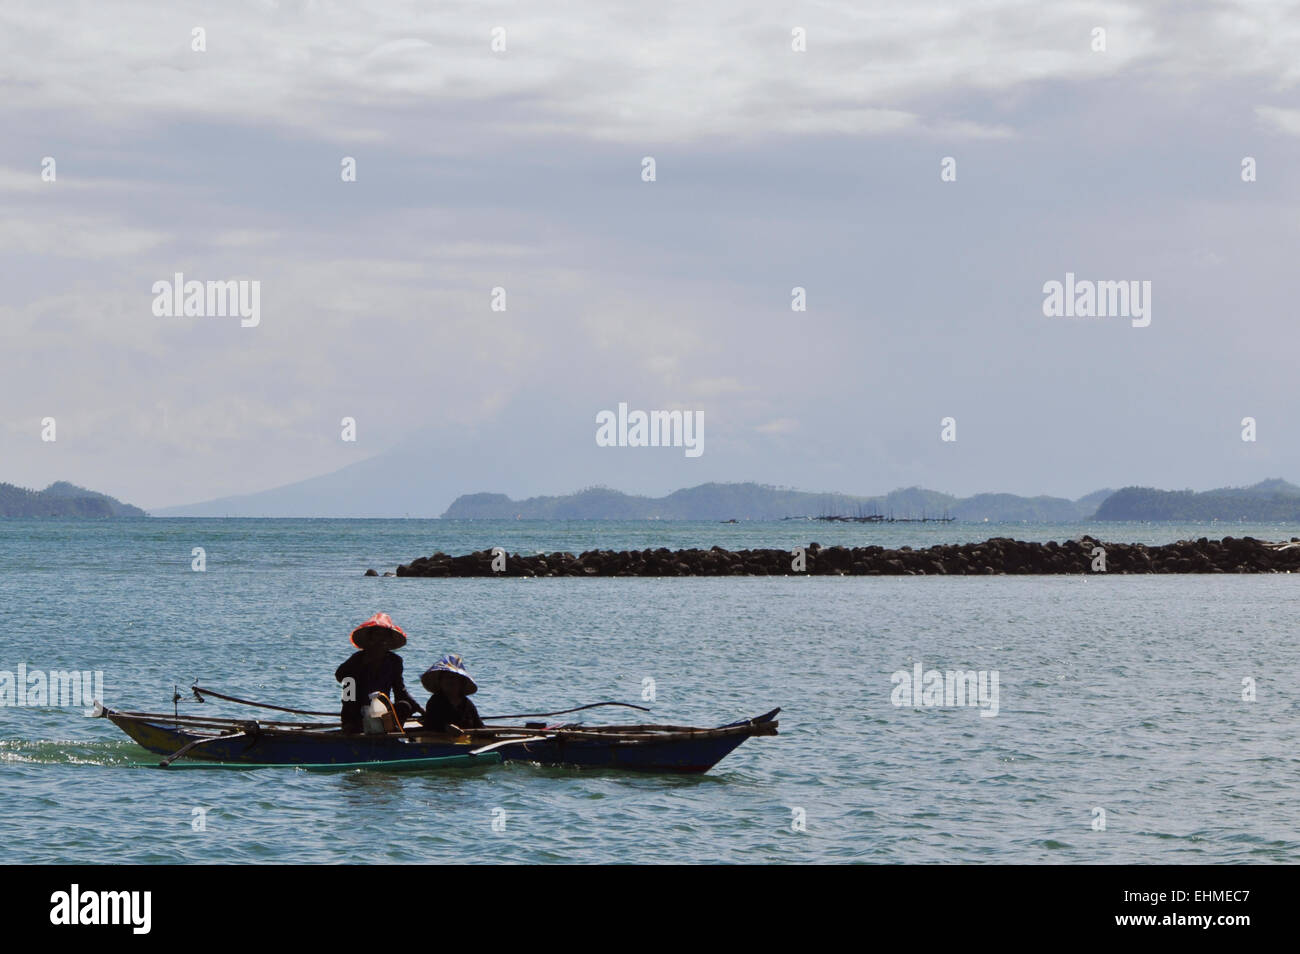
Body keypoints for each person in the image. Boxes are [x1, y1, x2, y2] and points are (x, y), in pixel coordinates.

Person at [335, 613, 423, 733]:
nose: (380, 640)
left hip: (381, 711)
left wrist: (422, 711)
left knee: (404, 705)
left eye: (384, 637)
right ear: (370, 639)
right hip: (357, 711)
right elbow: (340, 675)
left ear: (389, 640)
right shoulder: (358, 658)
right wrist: (363, 664)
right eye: (377, 636)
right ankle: (350, 725)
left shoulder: (394, 661)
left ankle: (392, 730)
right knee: (349, 682)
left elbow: (400, 691)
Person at [419, 653, 484, 733]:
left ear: (461, 682)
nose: (450, 681)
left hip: (465, 743)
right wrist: (446, 728)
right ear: (441, 682)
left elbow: (479, 726)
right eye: (446, 678)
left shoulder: (467, 704)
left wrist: (489, 733)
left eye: (453, 678)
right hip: (440, 742)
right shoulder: (435, 701)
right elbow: (430, 724)